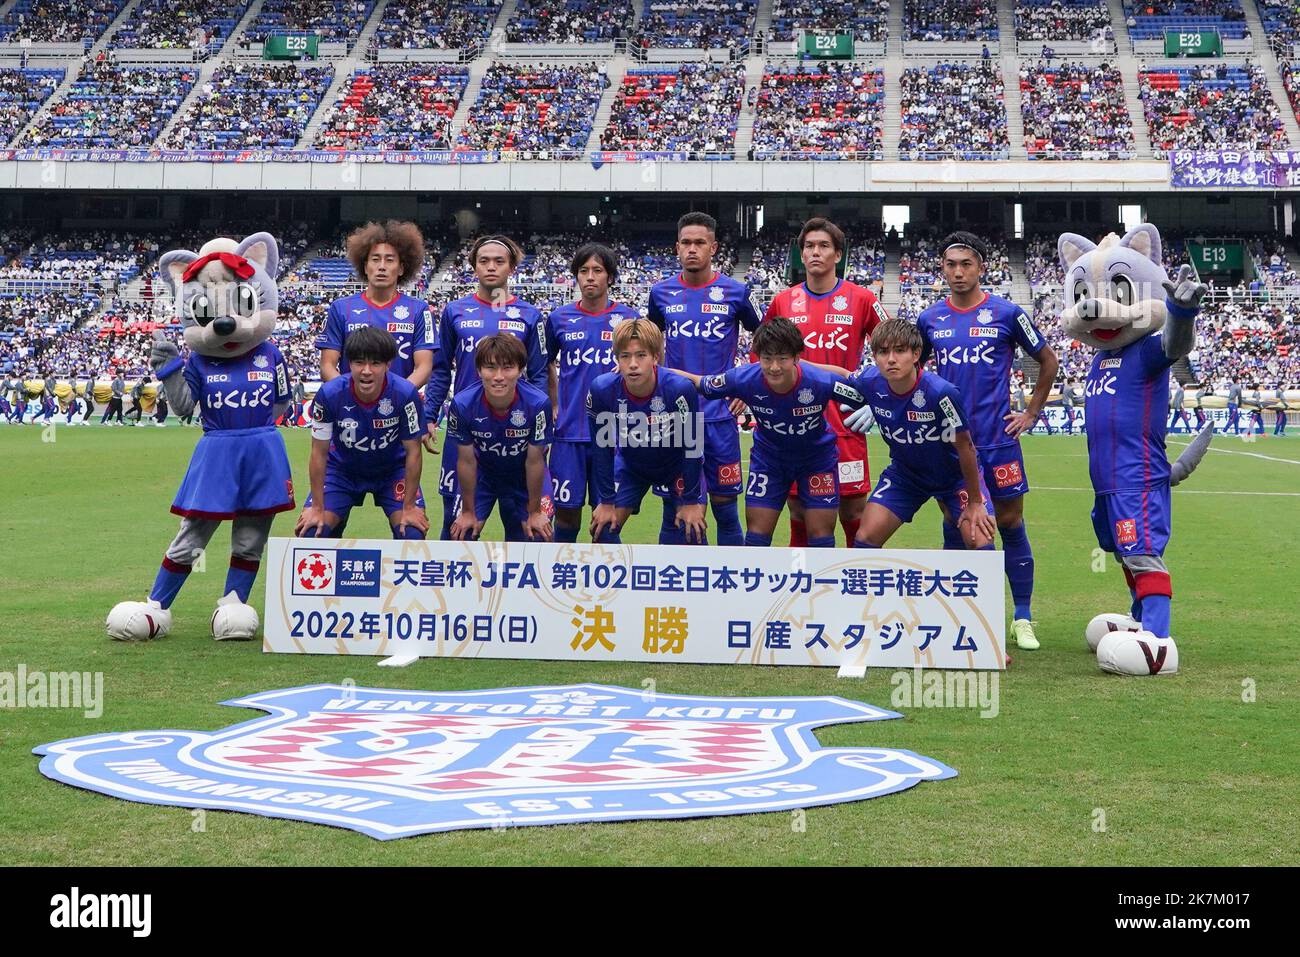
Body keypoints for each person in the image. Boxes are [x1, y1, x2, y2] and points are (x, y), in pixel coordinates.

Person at [913, 232, 1059, 650]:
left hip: (998, 441)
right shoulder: (929, 320)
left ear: (981, 268)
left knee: (1010, 522)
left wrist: (1031, 411)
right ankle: (959, 617)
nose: (957, 272)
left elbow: (1048, 361)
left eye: (966, 265)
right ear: (942, 268)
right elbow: (913, 372)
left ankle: (1023, 616)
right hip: (949, 443)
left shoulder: (1007, 313)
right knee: (955, 524)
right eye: (950, 265)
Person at [753, 217, 887, 547]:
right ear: (801, 253)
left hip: (844, 421)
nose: (816, 252)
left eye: (824, 246)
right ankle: (804, 592)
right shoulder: (783, 302)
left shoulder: (862, 299)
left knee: (853, 509)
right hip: (796, 422)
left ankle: (858, 588)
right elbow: (761, 355)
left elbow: (896, 346)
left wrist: (874, 395)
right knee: (799, 511)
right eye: (809, 246)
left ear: (838, 255)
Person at [676, 317, 865, 548]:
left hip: (817, 461)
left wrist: (874, 403)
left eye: (782, 359)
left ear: (796, 357)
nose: (774, 367)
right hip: (769, 462)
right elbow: (700, 383)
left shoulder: (821, 381)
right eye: (767, 359)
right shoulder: (743, 378)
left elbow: (863, 391)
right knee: (756, 539)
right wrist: (653, 370)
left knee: (822, 539)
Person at [422, 235, 548, 540]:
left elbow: (540, 374)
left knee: (528, 535)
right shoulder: (454, 311)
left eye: (499, 261)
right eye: (484, 261)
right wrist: (429, 414)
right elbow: (441, 370)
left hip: (516, 430)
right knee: (457, 532)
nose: (491, 267)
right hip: (467, 426)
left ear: (513, 267)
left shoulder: (530, 315)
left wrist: (544, 428)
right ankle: (448, 588)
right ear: (474, 267)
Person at [646, 212, 760, 545]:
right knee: (675, 509)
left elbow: (767, 340)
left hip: (719, 418)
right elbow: (650, 343)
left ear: (713, 247)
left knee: (726, 510)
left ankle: (733, 588)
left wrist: (747, 385)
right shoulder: (661, 293)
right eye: (686, 243)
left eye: (699, 243)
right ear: (676, 248)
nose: (692, 249)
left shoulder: (735, 292)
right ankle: (678, 588)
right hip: (675, 419)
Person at [841, 319, 997, 551]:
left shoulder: (941, 393)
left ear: (916, 354)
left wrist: (975, 502)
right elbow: (837, 377)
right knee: (865, 539)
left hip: (955, 478)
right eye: (883, 352)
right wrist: (797, 366)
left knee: (979, 542)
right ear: (874, 356)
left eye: (900, 350)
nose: (891, 359)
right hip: (906, 476)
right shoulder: (869, 381)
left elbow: (966, 447)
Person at [545, 242, 640, 543]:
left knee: (608, 519)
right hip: (569, 434)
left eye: (597, 270)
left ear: (610, 277)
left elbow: (652, 360)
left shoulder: (628, 319)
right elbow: (543, 363)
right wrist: (554, 402)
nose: (589, 277)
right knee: (566, 515)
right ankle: (559, 581)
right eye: (583, 271)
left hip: (613, 436)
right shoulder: (559, 318)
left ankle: (608, 586)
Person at [296, 327, 429, 541]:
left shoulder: (405, 394)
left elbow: (414, 452)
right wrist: (317, 508)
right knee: (312, 532)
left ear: (388, 364)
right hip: (341, 470)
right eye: (359, 362)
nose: (366, 370)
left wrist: (410, 506)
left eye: (375, 363)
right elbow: (318, 453)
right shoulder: (329, 394)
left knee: (412, 533)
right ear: (349, 364)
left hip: (392, 471)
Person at [587, 319, 707, 545]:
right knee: (601, 530)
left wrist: (691, 501)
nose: (633, 364)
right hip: (632, 468)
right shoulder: (602, 390)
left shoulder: (679, 389)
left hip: (677, 467)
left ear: (655, 357)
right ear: (617, 359)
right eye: (625, 356)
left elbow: (693, 446)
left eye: (641, 355)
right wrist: (606, 501)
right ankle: (624, 579)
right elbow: (602, 448)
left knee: (693, 531)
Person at [445, 334, 553, 543]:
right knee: (461, 533)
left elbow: (535, 460)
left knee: (539, 534)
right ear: (479, 370)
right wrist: (468, 512)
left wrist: (534, 512)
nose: (498, 376)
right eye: (490, 367)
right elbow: (466, 461)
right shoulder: (462, 404)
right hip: (483, 476)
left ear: (521, 370)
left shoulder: (539, 404)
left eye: (507, 367)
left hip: (523, 475)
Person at [317, 220, 434, 388]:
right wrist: (351, 396)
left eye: (389, 260)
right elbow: (327, 366)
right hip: (351, 409)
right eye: (375, 259)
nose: (382, 267)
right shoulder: (340, 308)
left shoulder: (419, 310)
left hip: (399, 406)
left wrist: (398, 396)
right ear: (365, 267)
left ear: (401, 268)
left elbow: (424, 367)